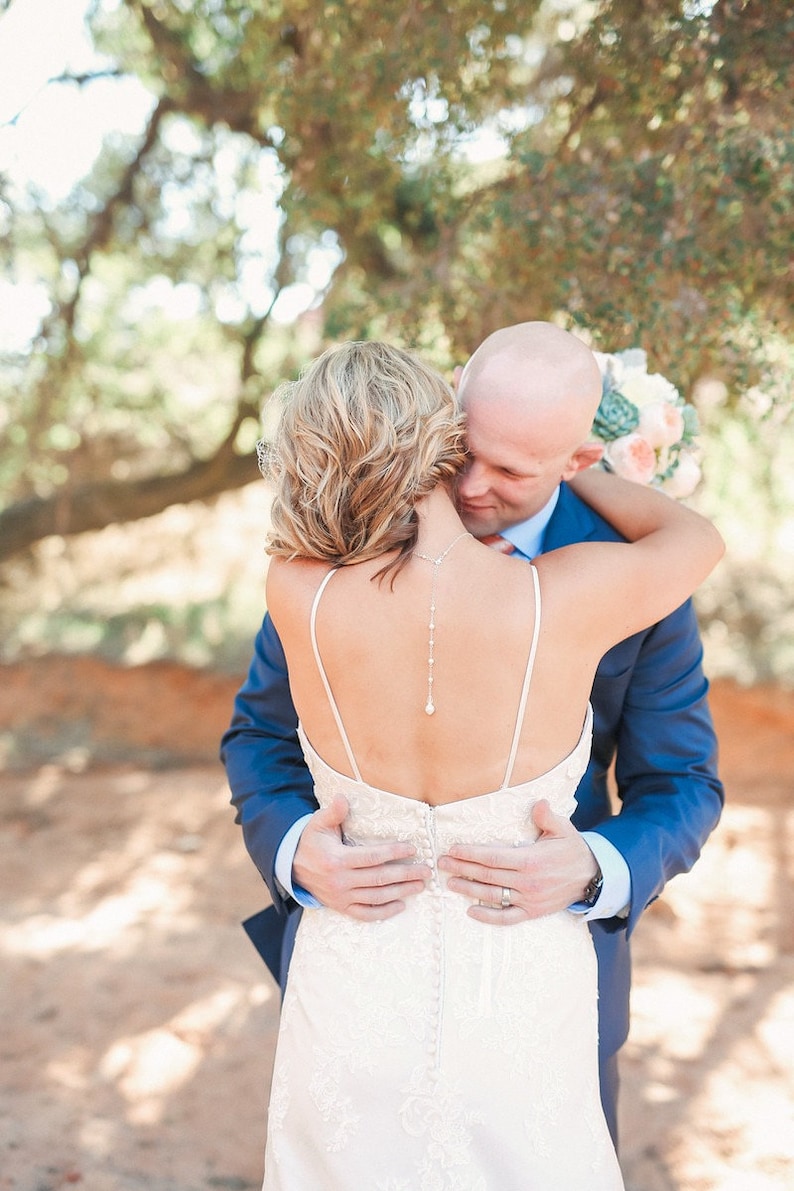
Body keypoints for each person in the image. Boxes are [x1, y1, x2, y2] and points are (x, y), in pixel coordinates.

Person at [223, 333, 724, 1189]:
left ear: (578, 459)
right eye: (465, 451)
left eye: (517, 470)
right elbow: (258, 739)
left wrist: (596, 864)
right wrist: (293, 847)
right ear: (443, 420)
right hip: (390, 950)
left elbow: (683, 783)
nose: (479, 485)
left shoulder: (300, 580)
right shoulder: (591, 585)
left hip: (522, 961)